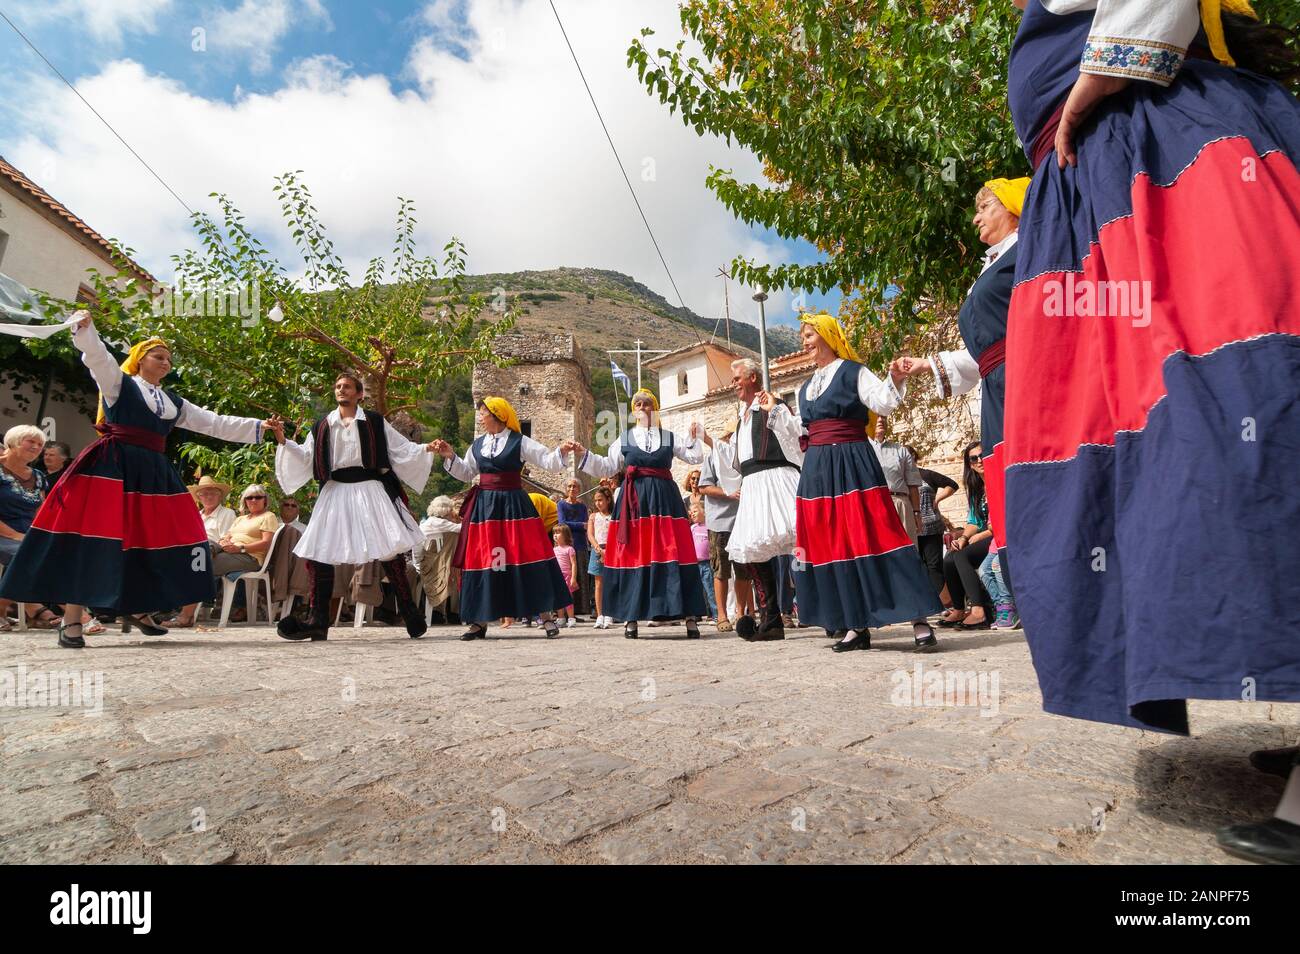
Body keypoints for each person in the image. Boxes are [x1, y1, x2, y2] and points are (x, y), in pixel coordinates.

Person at [1005, 0, 1300, 863]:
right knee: (1174, 443)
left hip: (1164, 150)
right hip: (1117, 173)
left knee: (1235, 419)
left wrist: (1097, 80)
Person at [0, 312, 278, 647]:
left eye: (169, 359)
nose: (165, 362)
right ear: (139, 359)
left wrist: (258, 427)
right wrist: (87, 330)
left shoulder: (173, 402)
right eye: (158, 355)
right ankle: (72, 620)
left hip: (152, 476)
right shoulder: (120, 384)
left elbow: (215, 423)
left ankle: (139, 607)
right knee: (94, 542)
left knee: (153, 542)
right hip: (111, 471)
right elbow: (99, 359)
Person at [765, 314, 941, 652]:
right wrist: (776, 413)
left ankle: (919, 617)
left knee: (878, 533)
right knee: (831, 543)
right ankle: (854, 624)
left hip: (852, 462)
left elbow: (883, 401)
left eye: (809, 334)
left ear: (829, 336)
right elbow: (799, 434)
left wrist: (895, 377)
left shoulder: (853, 371)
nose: (804, 341)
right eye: (802, 336)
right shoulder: (805, 388)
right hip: (818, 470)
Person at [895, 175, 1028, 600]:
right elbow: (983, 353)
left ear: (1011, 207)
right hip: (997, 386)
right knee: (1008, 481)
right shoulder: (992, 266)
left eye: (984, 207)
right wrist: (925, 364)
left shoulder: (1030, 250)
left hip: (1028, 377)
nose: (975, 218)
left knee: (1032, 473)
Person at [272, 371, 437, 642]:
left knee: (389, 550)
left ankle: (409, 611)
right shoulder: (323, 424)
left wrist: (425, 449)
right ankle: (318, 619)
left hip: (370, 488)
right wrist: (282, 439)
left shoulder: (373, 421)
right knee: (318, 552)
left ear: (359, 394)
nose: (341, 390)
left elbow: (400, 449)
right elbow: (305, 455)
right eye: (337, 386)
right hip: (334, 490)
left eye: (347, 386)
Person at [430, 397, 575, 640]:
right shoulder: (477, 445)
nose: (481, 418)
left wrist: (561, 450)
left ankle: (547, 617)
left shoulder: (519, 442)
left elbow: (548, 461)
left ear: (498, 415)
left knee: (528, 555)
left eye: (484, 413)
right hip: (485, 510)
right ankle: (478, 622)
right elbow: (466, 472)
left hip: (514, 508)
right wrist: (449, 456)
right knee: (484, 560)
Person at [573, 388, 709, 639]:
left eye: (647, 404)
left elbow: (693, 456)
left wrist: (695, 437)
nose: (643, 408)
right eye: (638, 404)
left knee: (673, 550)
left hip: (665, 501)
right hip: (634, 502)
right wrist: (584, 454)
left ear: (654, 409)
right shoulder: (624, 439)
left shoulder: (669, 437)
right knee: (635, 553)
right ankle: (631, 616)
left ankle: (689, 615)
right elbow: (606, 465)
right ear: (633, 410)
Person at [714, 358, 803, 642]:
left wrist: (775, 407)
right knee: (753, 551)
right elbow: (737, 459)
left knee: (804, 541)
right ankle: (771, 617)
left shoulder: (772, 405)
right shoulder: (742, 417)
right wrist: (707, 440)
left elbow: (794, 437)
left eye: (737, 377)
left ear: (753, 377)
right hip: (753, 484)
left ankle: (829, 610)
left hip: (776, 477)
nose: (733, 383)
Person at [0, 425, 58, 629]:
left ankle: (5, 607)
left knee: (63, 552)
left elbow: (40, 511)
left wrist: (38, 534)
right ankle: (45, 611)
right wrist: (16, 535)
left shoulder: (38, 476)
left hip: (27, 534)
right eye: (30, 441)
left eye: (40, 444)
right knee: (26, 555)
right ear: (14, 441)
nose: (36, 447)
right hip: (4, 533)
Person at [696, 430, 749, 631]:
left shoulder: (744, 458)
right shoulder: (712, 458)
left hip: (743, 519)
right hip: (719, 522)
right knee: (721, 570)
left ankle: (741, 613)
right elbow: (704, 487)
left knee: (743, 569)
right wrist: (728, 493)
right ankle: (721, 615)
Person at [939, 442, 994, 629]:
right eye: (973, 458)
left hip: (1002, 535)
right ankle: (959, 609)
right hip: (986, 534)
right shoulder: (976, 488)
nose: (979, 460)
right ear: (970, 464)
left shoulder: (999, 481)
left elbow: (1004, 520)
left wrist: (982, 535)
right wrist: (963, 538)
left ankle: (979, 611)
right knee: (950, 557)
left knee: (962, 556)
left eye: (981, 455)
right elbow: (973, 522)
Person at [209, 484, 280, 622]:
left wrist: (241, 548)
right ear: (245, 501)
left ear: (265, 500)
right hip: (229, 552)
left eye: (258, 497)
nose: (253, 500)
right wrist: (224, 541)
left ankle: (187, 611)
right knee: (204, 545)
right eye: (250, 497)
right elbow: (227, 536)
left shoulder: (268, 516)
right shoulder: (240, 519)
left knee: (201, 564)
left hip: (250, 557)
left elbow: (267, 543)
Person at [909, 446, 959, 606]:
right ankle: (926, 603)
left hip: (931, 527)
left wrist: (937, 500)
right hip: (910, 529)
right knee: (917, 565)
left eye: (909, 455)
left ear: (914, 457)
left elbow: (952, 484)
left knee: (934, 565)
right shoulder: (900, 478)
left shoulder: (926, 474)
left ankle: (945, 602)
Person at [418, 495, 461, 624]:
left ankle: (440, 612)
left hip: (426, 563)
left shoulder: (426, 523)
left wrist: (417, 565)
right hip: (436, 566)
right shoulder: (440, 523)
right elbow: (463, 528)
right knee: (454, 569)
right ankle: (453, 613)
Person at [556, 478, 591, 617]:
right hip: (566, 545)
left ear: (579, 489)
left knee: (581, 576)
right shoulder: (561, 505)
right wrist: (581, 525)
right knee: (567, 576)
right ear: (566, 489)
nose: (572, 489)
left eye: (575, 486)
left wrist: (582, 526)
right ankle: (566, 611)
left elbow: (587, 523)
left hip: (581, 544)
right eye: (569, 486)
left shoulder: (582, 506)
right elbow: (563, 524)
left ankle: (580, 609)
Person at [586, 485, 613, 628]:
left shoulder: (613, 516)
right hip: (597, 550)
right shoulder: (593, 516)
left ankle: (609, 613)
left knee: (610, 582)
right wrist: (598, 548)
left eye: (600, 500)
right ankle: (600, 614)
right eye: (596, 500)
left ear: (608, 500)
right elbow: (590, 534)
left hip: (611, 550)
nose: (598, 503)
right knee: (598, 584)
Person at [688, 503, 717, 619]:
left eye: (695, 511)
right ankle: (696, 614)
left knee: (710, 590)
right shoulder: (692, 528)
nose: (692, 513)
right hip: (695, 564)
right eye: (690, 512)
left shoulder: (709, 527)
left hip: (706, 563)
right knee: (696, 591)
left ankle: (716, 614)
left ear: (704, 512)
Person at [552, 524, 579, 627]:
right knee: (559, 598)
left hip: (567, 576)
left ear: (566, 535)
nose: (555, 535)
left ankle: (571, 618)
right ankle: (561, 618)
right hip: (557, 576)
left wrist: (573, 577)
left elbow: (574, 564)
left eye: (558, 532)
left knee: (568, 598)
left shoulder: (570, 549)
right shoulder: (554, 550)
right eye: (554, 532)